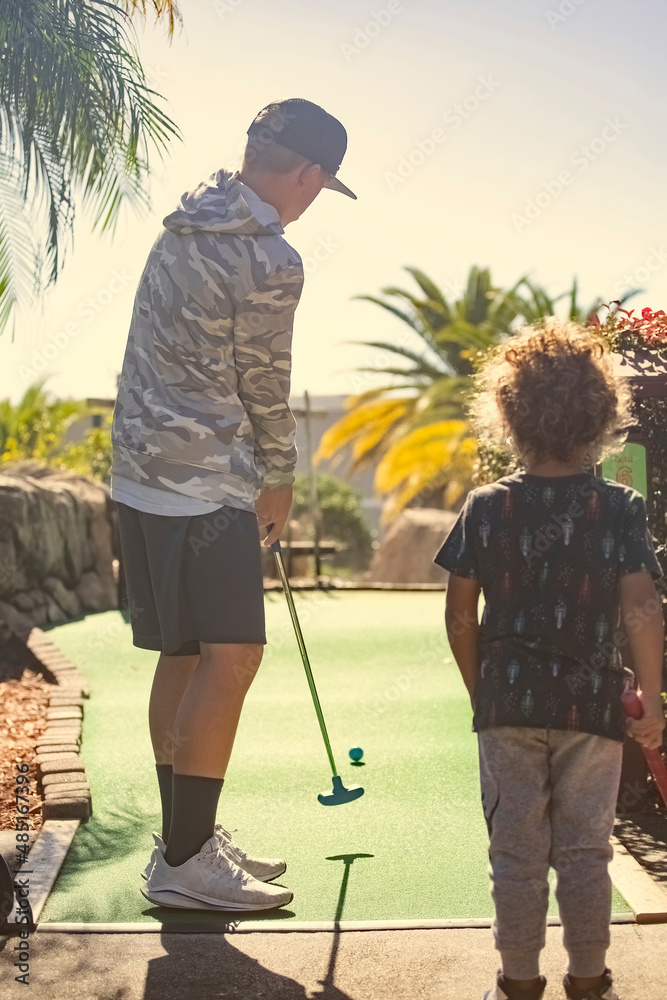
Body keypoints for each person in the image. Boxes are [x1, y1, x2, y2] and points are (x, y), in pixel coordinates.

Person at [109, 98, 356, 911]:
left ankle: (184, 837)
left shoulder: (180, 224)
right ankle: (184, 863)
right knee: (233, 658)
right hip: (208, 483)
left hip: (138, 477)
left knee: (181, 655)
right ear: (309, 175)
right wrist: (279, 476)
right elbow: (264, 380)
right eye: (320, 186)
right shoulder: (273, 258)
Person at [433, 317, 666, 1000]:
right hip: (590, 707)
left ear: (507, 416)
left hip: (507, 703)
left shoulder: (484, 508)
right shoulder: (618, 508)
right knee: (585, 850)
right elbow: (642, 612)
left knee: (515, 851)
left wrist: (482, 691)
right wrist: (651, 702)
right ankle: (589, 979)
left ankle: (517, 981)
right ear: (601, 417)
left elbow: (456, 615)